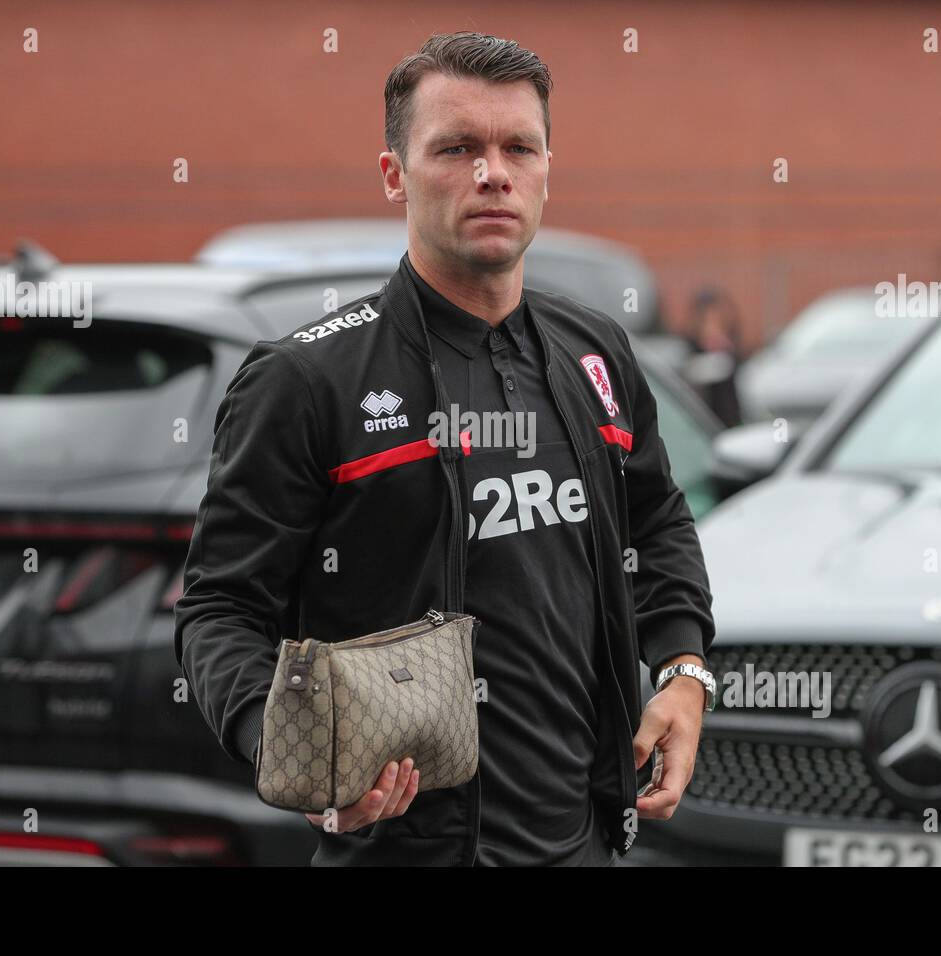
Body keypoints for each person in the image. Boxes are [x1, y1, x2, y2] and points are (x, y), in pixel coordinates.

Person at [174, 31, 716, 867]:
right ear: (395, 173)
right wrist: (289, 756)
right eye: (456, 148)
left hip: (586, 842)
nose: (491, 172)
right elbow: (220, 609)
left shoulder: (594, 349)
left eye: (516, 148)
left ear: (545, 169)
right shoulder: (308, 380)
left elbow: (658, 518)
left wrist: (683, 669)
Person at [683, 285, 745, 428]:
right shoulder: (690, 353)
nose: (713, 329)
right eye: (707, 322)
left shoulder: (731, 355)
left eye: (718, 322)